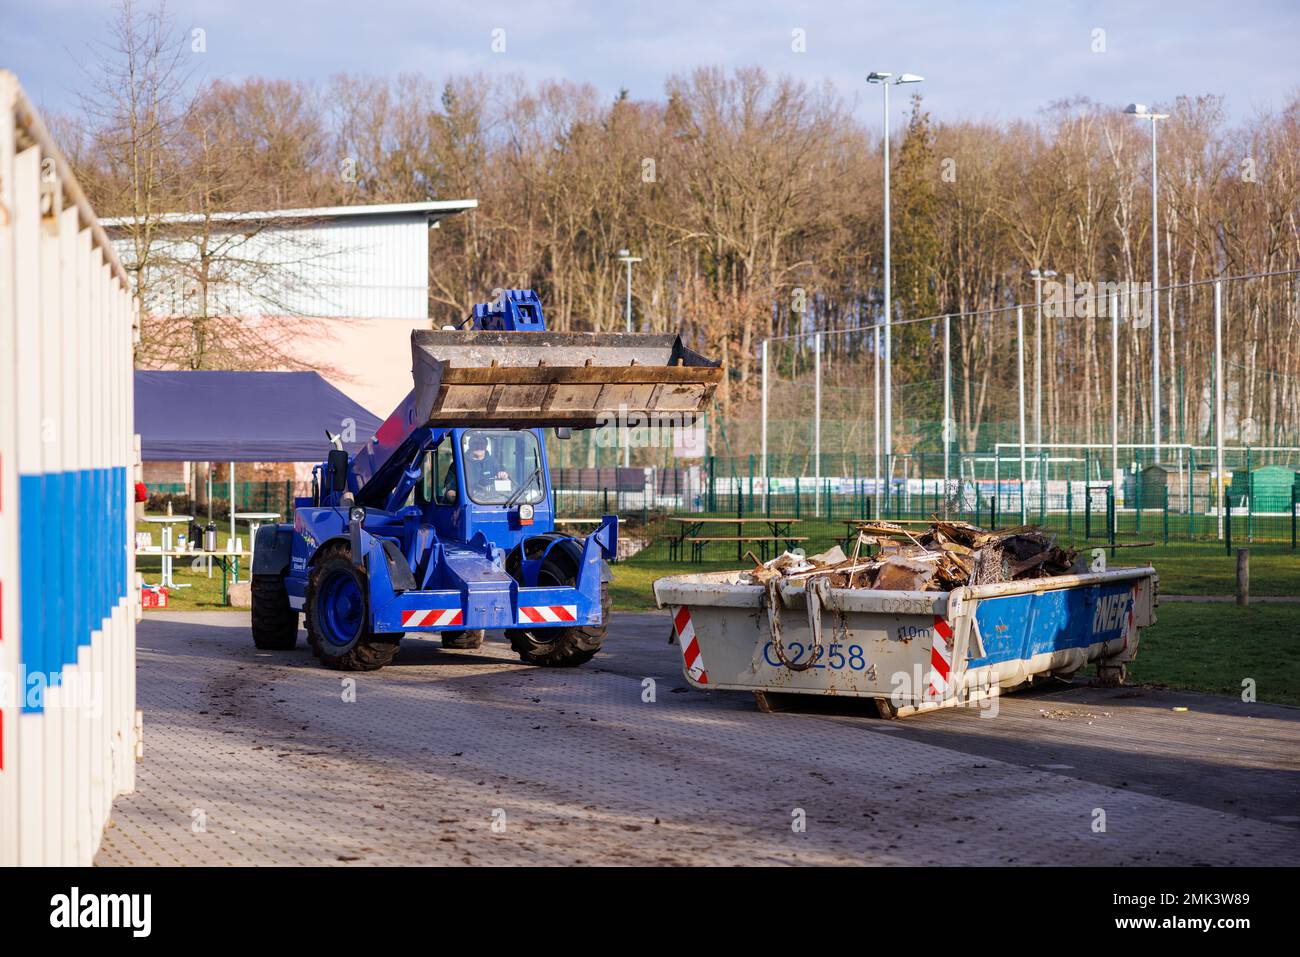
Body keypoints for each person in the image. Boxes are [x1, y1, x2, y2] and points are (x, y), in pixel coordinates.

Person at [442, 433, 510, 502]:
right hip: (469, 504)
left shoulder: (494, 463)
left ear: (486, 446)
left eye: (481, 443)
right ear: (470, 445)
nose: (479, 446)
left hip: (492, 503)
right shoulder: (458, 464)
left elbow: (508, 487)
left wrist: (505, 478)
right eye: (475, 443)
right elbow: (450, 491)